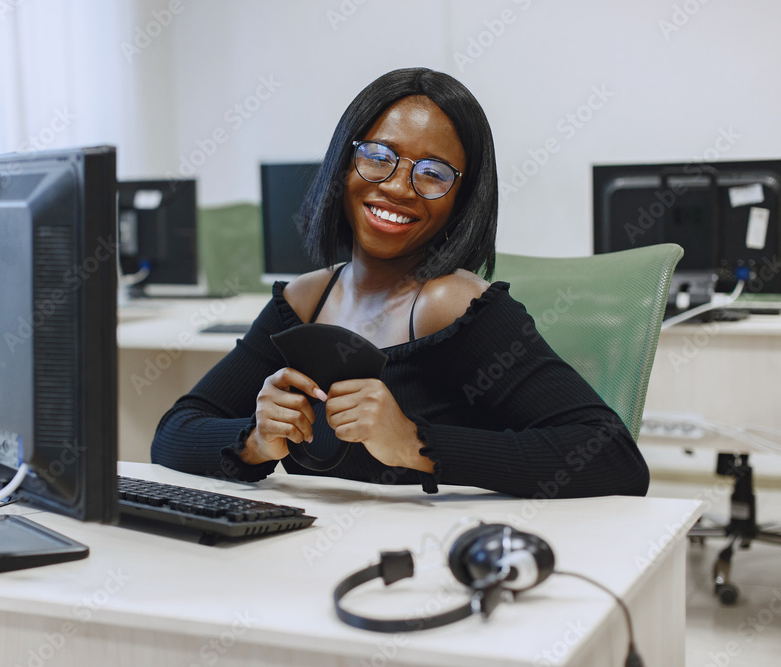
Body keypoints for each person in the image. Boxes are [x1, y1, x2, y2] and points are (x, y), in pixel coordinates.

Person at [151, 67, 649, 499]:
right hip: (302, 565)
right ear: (345, 164)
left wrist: (414, 444)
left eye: (433, 173)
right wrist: (255, 441)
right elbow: (173, 433)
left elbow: (611, 453)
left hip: (428, 571)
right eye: (378, 156)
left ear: (462, 197)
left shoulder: (453, 305)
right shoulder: (303, 301)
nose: (396, 186)